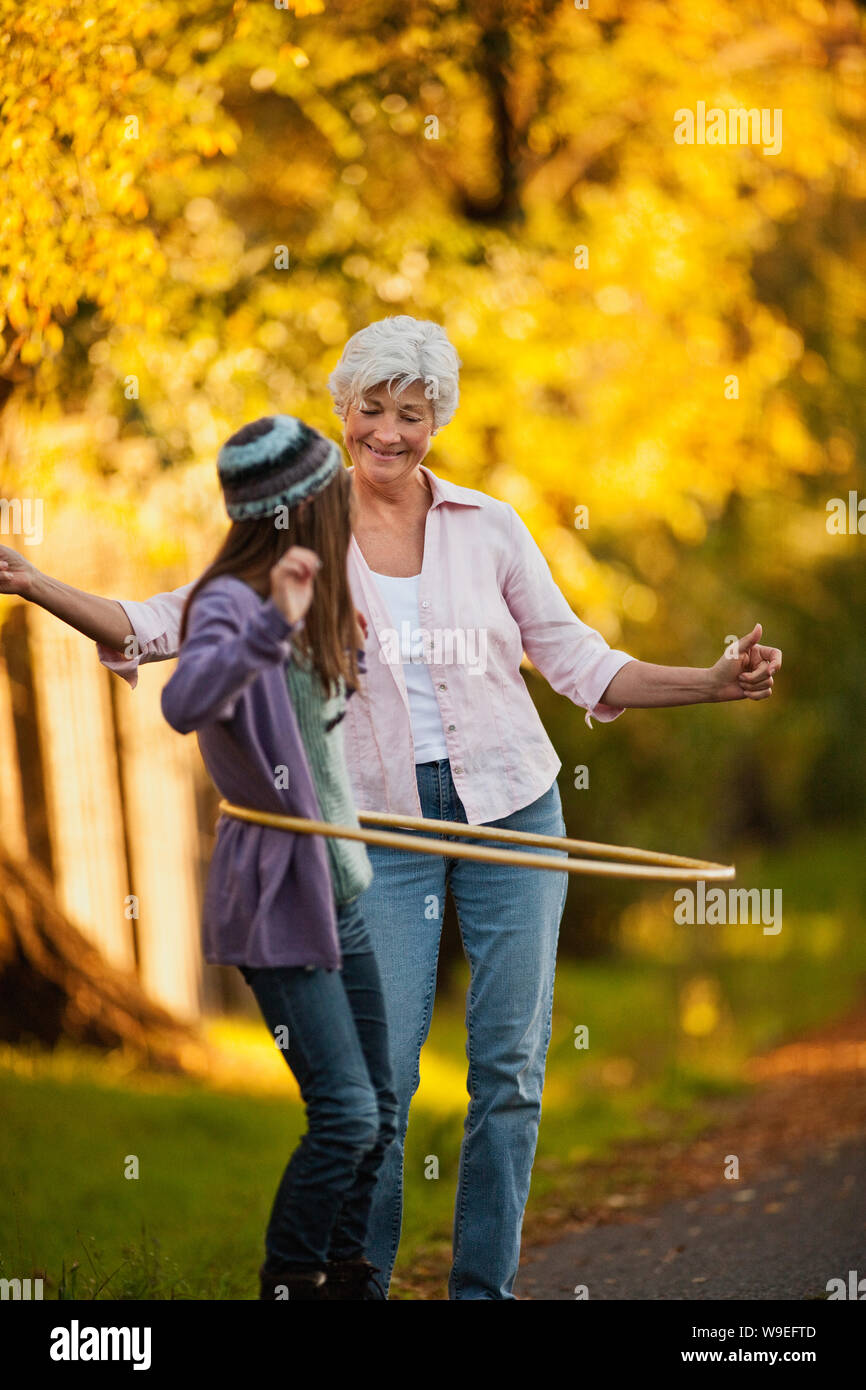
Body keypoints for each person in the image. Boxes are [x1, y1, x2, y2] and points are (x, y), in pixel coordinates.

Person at [0, 315, 782, 1300]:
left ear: (434, 421)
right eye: (369, 408)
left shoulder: (487, 526)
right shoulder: (302, 529)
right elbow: (168, 622)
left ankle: (478, 1289)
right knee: (382, 1083)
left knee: (508, 1070)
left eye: (409, 413)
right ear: (341, 409)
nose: (387, 430)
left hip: (511, 805)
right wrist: (35, 585)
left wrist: (710, 680)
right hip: (379, 828)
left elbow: (580, 660)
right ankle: (359, 1282)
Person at [161, 413, 397, 1301]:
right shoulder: (230, 605)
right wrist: (276, 623)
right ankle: (288, 1289)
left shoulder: (325, 592)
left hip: (340, 885)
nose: (349, 499)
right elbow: (184, 700)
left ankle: (352, 1287)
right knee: (344, 1115)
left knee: (378, 1113)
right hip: (277, 898)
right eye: (333, 489)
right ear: (296, 511)